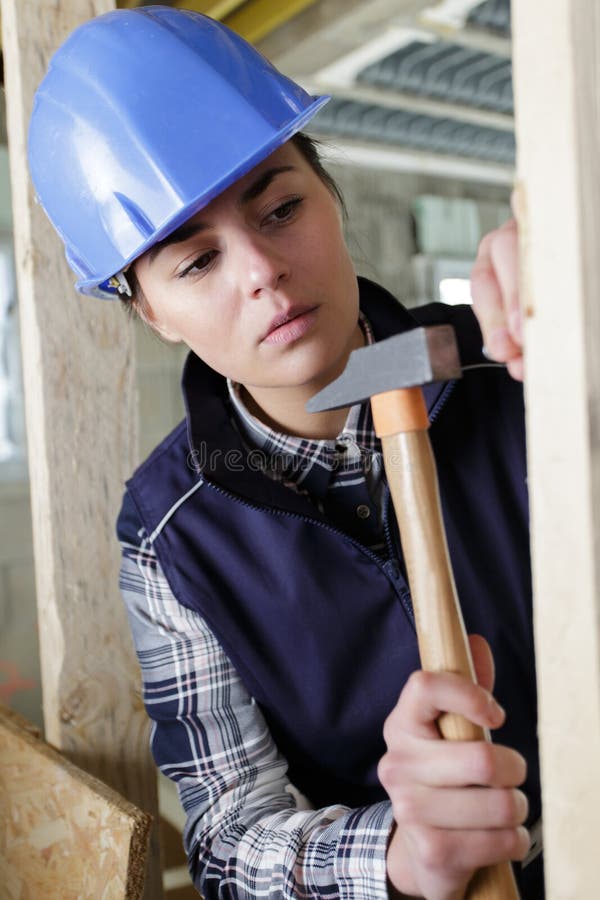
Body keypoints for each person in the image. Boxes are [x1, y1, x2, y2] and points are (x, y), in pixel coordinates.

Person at [28, 7, 541, 899]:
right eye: (195, 263)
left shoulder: (517, 357)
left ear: (328, 194)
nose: (261, 270)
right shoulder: (170, 538)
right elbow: (228, 838)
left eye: (281, 207)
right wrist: (401, 855)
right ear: (149, 311)